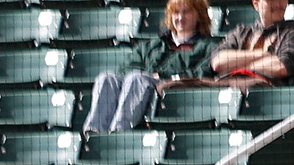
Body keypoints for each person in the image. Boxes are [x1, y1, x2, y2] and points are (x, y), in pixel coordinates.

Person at [82, 0, 216, 133]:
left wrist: (164, 76)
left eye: (186, 12)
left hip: (171, 89)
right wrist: (147, 74)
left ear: (198, 15)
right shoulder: (153, 45)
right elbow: (128, 66)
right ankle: (93, 132)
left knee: (137, 78)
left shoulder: (208, 47)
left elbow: (203, 72)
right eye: (176, 12)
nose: (180, 17)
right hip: (140, 83)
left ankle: (119, 132)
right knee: (106, 78)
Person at [209, 0, 294, 92]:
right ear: (256, 3)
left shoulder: (293, 32)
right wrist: (262, 55)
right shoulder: (240, 33)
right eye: (271, 0)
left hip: (266, 94)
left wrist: (239, 68)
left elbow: (281, 67)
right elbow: (218, 62)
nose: (278, 4)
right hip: (229, 86)